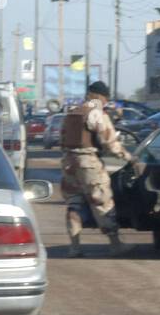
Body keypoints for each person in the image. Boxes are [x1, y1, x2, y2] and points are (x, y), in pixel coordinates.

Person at [60, 81, 142, 256]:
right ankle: (115, 245)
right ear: (98, 96)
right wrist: (130, 158)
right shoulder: (96, 112)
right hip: (88, 163)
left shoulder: (73, 112)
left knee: (74, 205)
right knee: (103, 202)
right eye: (105, 98)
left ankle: (74, 248)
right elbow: (110, 143)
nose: (106, 102)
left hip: (68, 163)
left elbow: (63, 139)